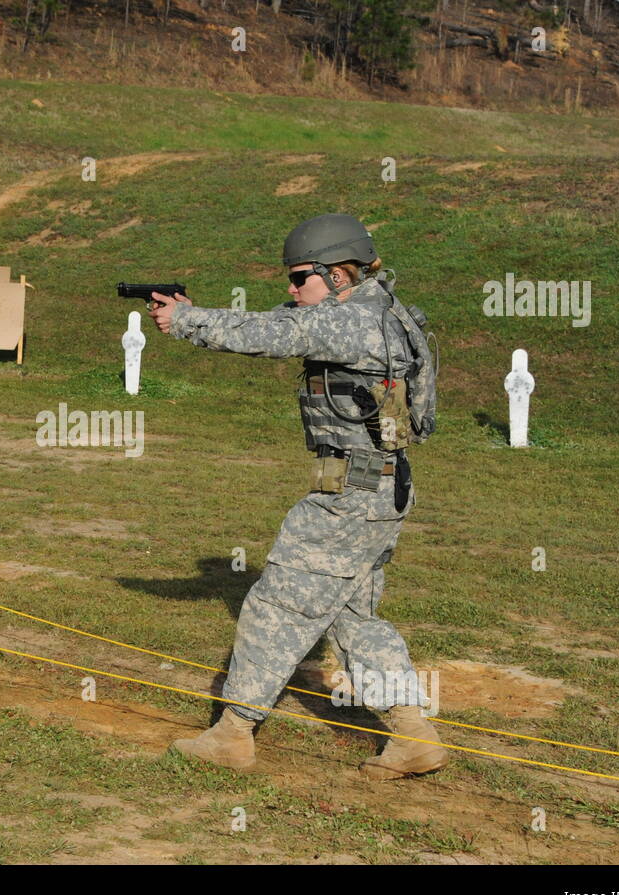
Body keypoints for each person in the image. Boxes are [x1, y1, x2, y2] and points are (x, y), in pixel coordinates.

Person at [147, 213, 448, 781]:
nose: (290, 287)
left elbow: (270, 335)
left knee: (275, 604)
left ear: (339, 274)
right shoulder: (380, 311)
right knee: (353, 617)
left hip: (350, 495)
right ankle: (413, 735)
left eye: (300, 276)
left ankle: (234, 734)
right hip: (380, 487)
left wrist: (186, 322)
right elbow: (276, 319)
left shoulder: (349, 323)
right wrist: (193, 311)